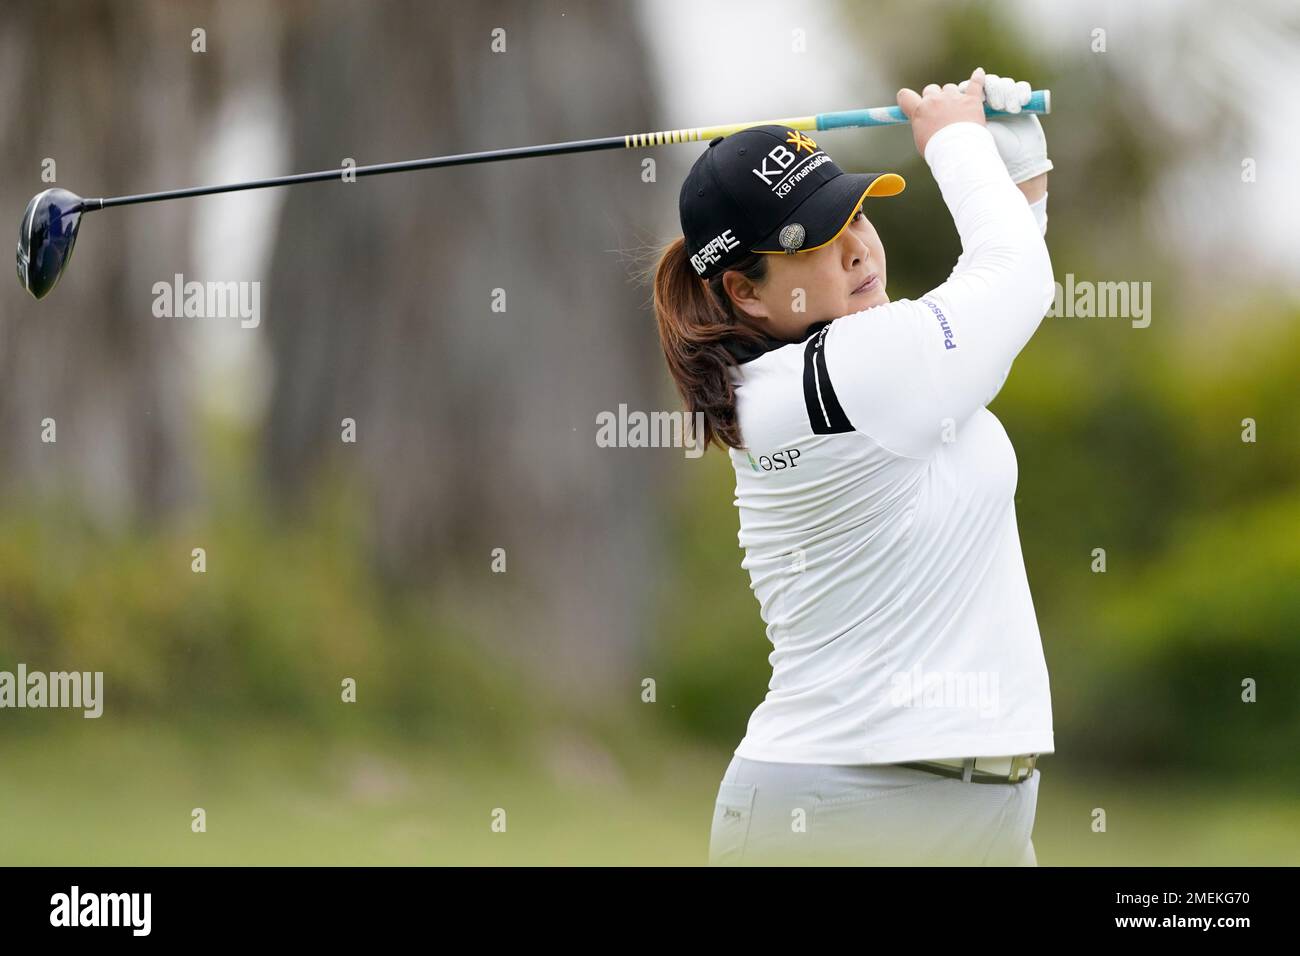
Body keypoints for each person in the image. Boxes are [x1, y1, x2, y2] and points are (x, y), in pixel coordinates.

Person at [651, 68, 1057, 865]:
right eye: (812, 240)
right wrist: (956, 142)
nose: (854, 248)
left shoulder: (836, 370)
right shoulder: (841, 374)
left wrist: (1016, 179)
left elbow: (1002, 301)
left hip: (965, 811)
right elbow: (1014, 283)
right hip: (848, 809)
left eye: (855, 214)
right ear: (746, 291)